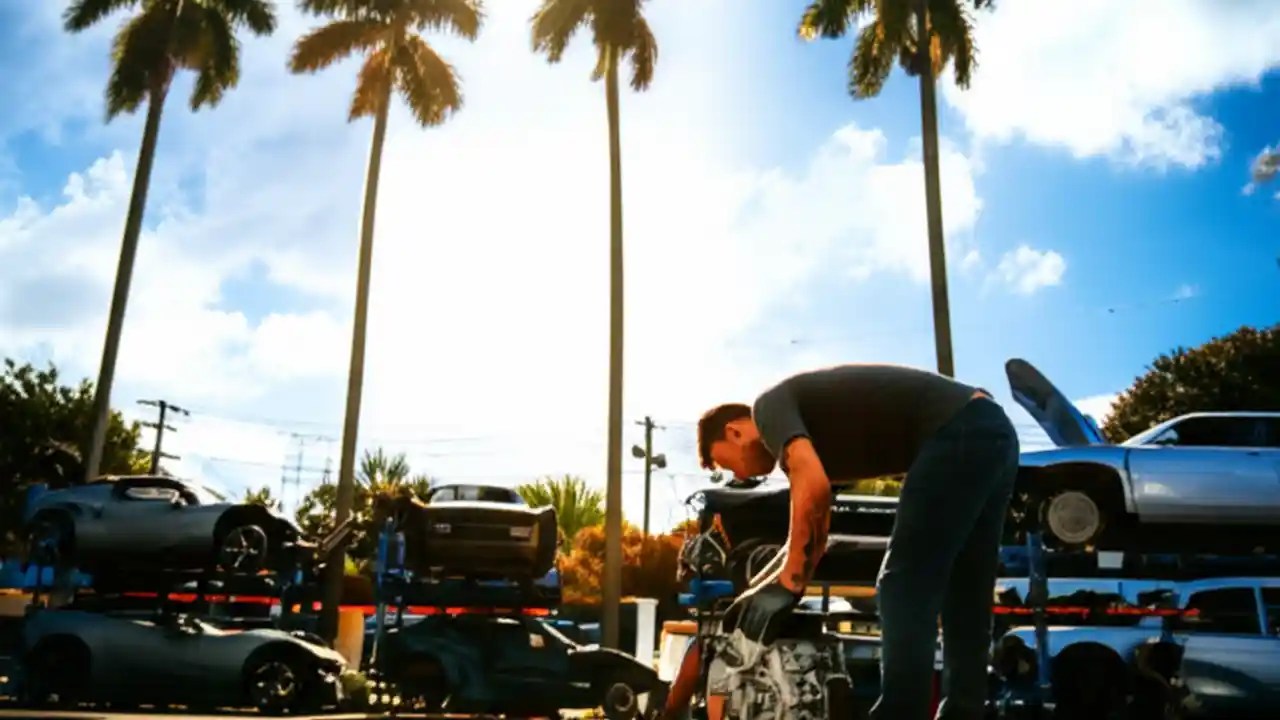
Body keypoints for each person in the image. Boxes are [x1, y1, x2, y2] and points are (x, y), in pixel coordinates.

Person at [697, 364, 1019, 720]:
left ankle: (899, 712)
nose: (737, 475)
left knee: (903, 583)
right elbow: (810, 534)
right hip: (992, 432)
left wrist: (789, 584)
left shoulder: (768, 409)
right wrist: (758, 590)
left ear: (735, 432)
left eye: (728, 465)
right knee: (965, 591)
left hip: (956, 431)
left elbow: (814, 495)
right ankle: (963, 712)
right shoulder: (809, 446)